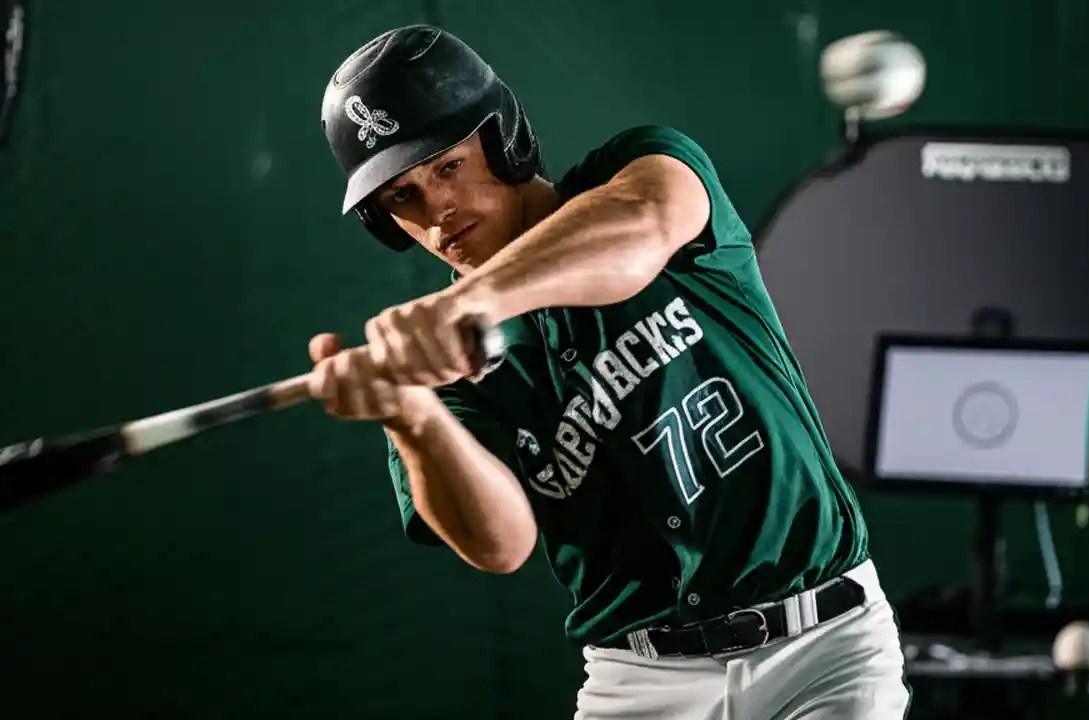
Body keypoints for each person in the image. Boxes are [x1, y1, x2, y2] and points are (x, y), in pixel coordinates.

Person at [313, 24, 911, 720]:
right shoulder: (437, 367)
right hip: (640, 679)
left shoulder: (641, 166)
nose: (436, 209)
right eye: (402, 198)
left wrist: (463, 305)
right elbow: (499, 543)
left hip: (822, 646)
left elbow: (645, 225)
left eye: (447, 166)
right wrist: (412, 415)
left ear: (502, 136)